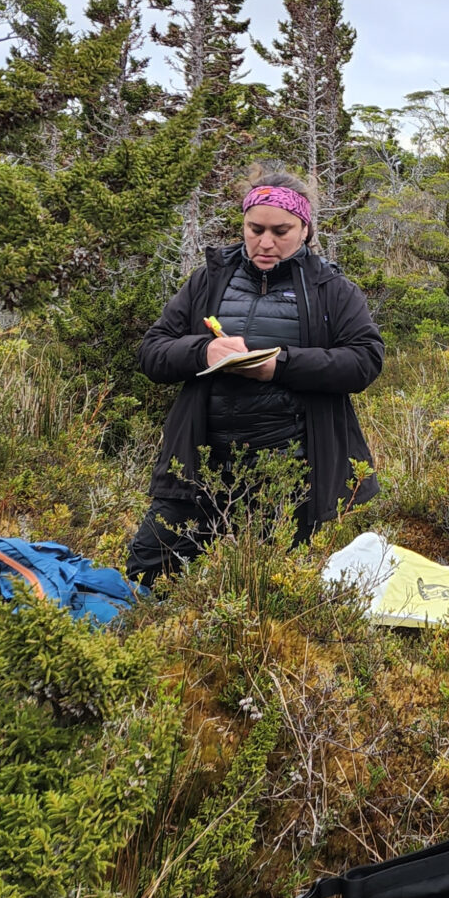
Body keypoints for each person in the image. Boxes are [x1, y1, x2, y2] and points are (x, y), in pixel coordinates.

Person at [126, 170, 385, 586]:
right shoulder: (210, 279)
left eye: (281, 231)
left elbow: (364, 360)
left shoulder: (331, 289)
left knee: (280, 595)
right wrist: (202, 350)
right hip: (201, 466)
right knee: (146, 577)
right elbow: (153, 352)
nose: (266, 242)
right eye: (255, 229)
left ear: (305, 228)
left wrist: (280, 365)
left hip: (294, 475)